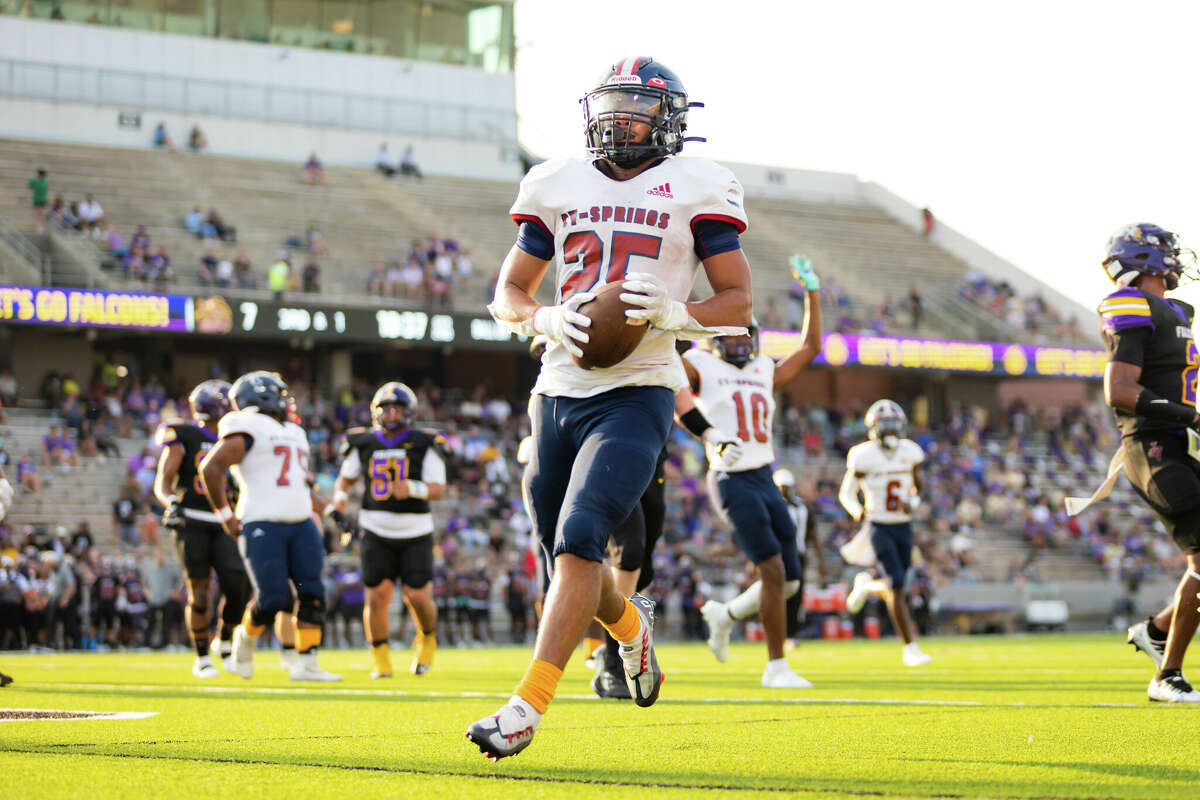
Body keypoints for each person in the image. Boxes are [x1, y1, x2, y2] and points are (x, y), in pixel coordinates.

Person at [467, 56, 752, 760]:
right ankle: (631, 632)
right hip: (556, 390)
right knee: (571, 562)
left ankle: (525, 707)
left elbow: (740, 304)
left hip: (639, 389)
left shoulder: (699, 185)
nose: (620, 120)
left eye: (637, 108)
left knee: (580, 537)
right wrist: (540, 319)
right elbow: (507, 292)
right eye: (612, 107)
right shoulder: (556, 181)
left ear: (671, 120)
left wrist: (678, 313)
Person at [1071, 223, 1200, 703]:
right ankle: (1167, 676)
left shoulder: (1176, 311)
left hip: (1182, 441)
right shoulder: (1128, 305)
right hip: (1152, 446)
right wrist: (1191, 414)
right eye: (1166, 251)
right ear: (1143, 259)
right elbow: (1119, 391)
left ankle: (1157, 630)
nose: (1175, 258)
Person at [686, 255, 822, 688]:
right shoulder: (701, 365)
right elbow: (665, 371)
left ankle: (723, 615)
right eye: (732, 333)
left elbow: (810, 349)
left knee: (790, 581)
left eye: (748, 333)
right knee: (773, 571)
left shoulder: (764, 369)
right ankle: (776, 666)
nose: (742, 341)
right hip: (730, 477)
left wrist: (812, 293)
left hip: (765, 476)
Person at [200, 371, 340, 682]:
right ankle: (244, 640)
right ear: (261, 394)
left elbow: (300, 484)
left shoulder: (294, 430)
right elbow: (211, 467)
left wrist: (330, 511)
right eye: (279, 392)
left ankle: (307, 663)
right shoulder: (247, 424)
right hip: (262, 520)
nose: (285, 398)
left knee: (313, 593)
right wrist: (224, 514)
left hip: (301, 521)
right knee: (274, 598)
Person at [330, 382, 447, 678]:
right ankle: (381, 660)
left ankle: (428, 637)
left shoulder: (424, 442)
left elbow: (437, 489)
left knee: (418, 597)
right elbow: (345, 481)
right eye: (386, 408)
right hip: (375, 528)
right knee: (377, 596)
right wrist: (340, 503)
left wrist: (411, 487)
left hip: (415, 529)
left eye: (397, 408)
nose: (391, 413)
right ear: (375, 412)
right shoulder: (363, 442)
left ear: (409, 412)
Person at [153, 380, 249, 678]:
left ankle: (224, 639)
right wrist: (170, 502)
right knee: (200, 592)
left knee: (238, 587)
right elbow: (164, 479)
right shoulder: (186, 434)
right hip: (192, 519)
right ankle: (202, 656)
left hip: (225, 520)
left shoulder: (237, 436)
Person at [838, 400, 932, 666]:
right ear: (873, 428)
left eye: (893, 424)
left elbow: (918, 487)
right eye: (884, 424)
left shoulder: (910, 451)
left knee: (900, 583)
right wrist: (856, 510)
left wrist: (912, 503)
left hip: (903, 525)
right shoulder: (863, 455)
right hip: (878, 525)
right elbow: (846, 492)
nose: (889, 430)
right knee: (897, 584)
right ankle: (909, 647)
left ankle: (867, 585)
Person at [773, 468, 826, 646]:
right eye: (780, 487)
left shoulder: (803, 508)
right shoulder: (770, 506)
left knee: (795, 595)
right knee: (776, 595)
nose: (783, 492)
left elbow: (813, 535)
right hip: (776, 557)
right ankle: (775, 634)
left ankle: (790, 635)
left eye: (786, 487)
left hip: (797, 555)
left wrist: (821, 561)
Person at [26, 168, 48, 233]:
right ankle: (38, 227)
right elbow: (30, 188)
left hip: (40, 199)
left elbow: (30, 188)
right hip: (39, 199)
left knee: (39, 214)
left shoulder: (42, 181)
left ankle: (39, 227)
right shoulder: (40, 181)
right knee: (38, 214)